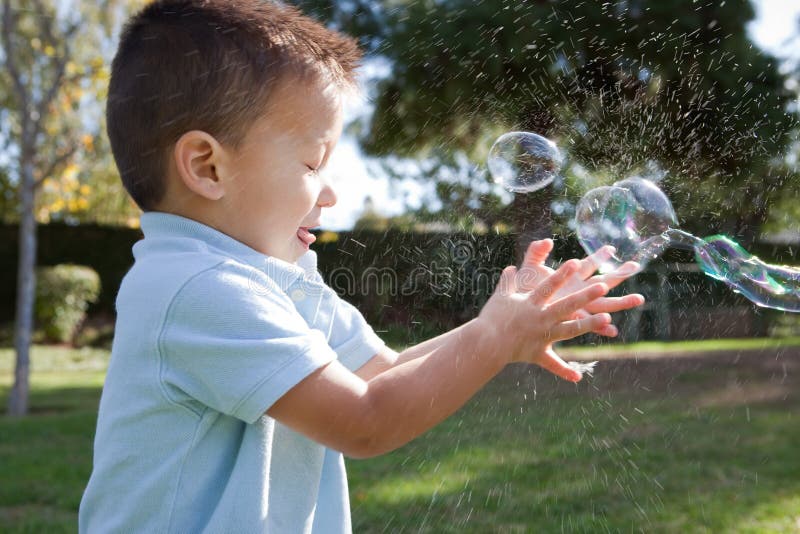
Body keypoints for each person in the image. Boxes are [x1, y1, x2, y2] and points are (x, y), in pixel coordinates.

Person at [79, 1, 645, 532]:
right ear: (207, 167)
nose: (330, 194)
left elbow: (379, 373)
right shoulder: (197, 286)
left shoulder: (277, 276)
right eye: (312, 163)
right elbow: (365, 419)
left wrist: (502, 327)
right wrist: (494, 338)